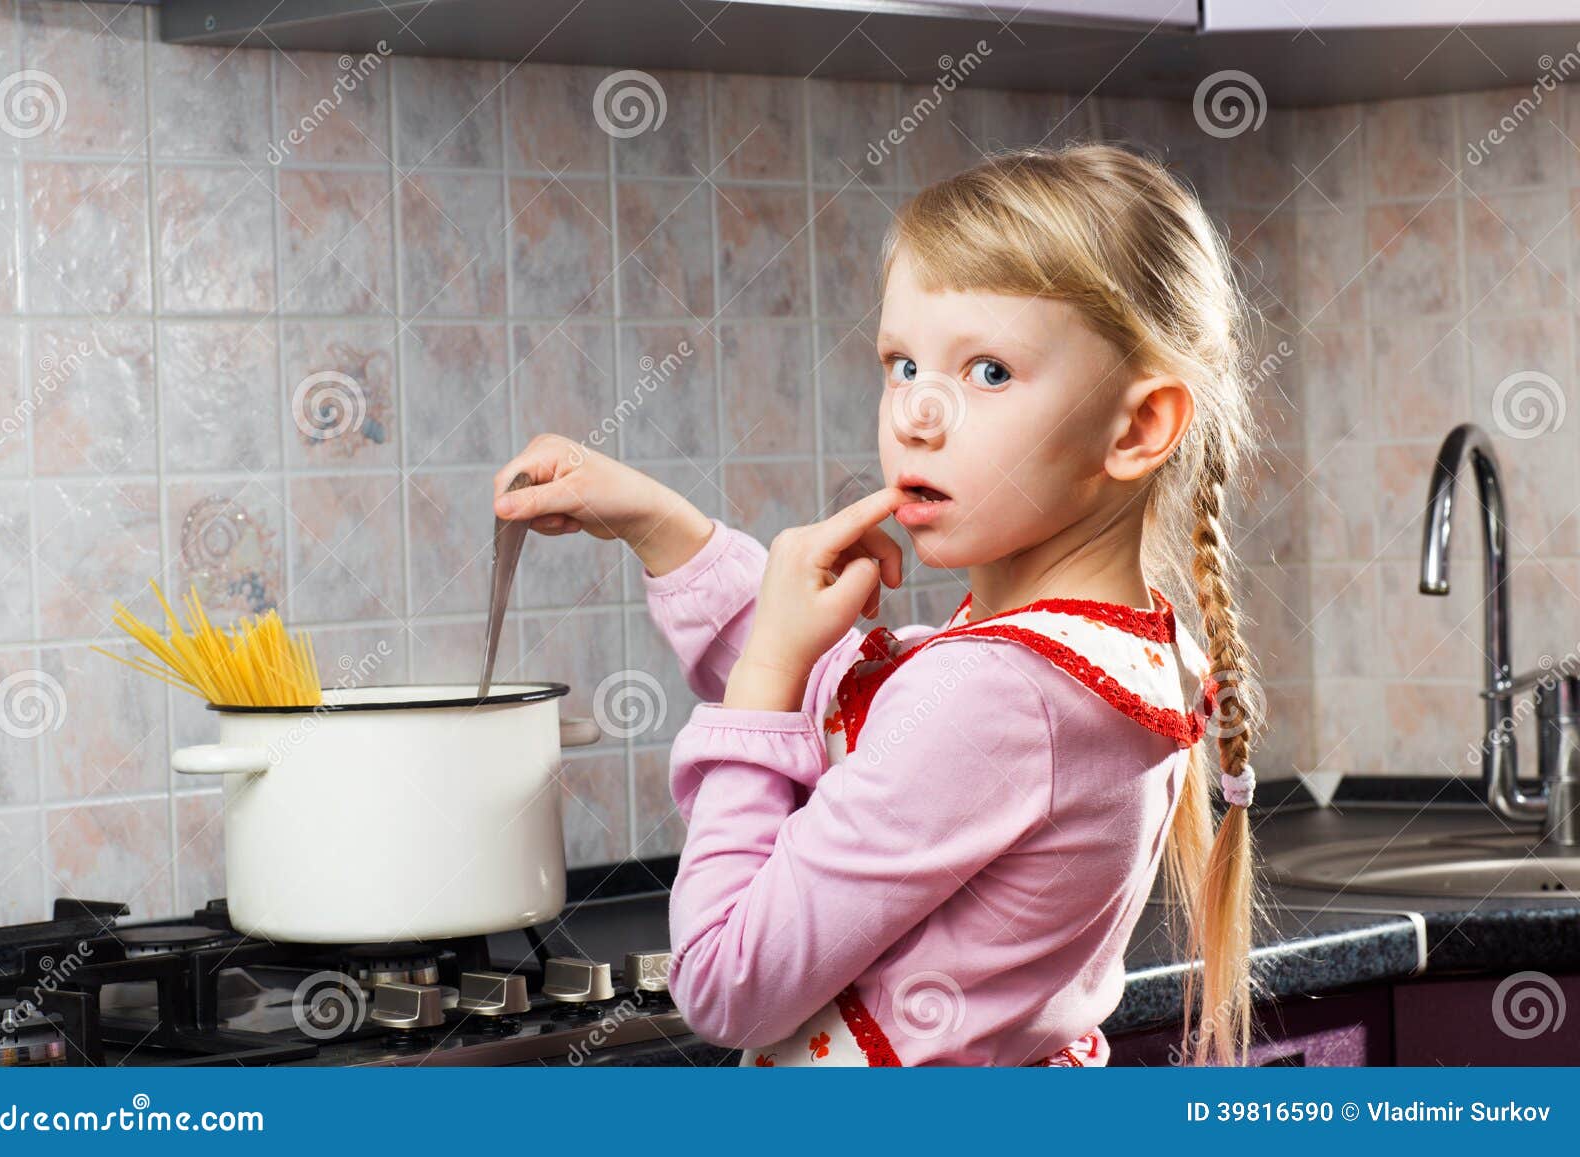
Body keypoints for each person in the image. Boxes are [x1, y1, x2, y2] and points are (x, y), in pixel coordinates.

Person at [493, 143, 1264, 1066]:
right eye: (901, 364)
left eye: (988, 372)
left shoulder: (999, 695)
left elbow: (723, 981)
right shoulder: (1118, 650)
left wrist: (763, 679)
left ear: (1138, 426)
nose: (916, 415)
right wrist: (668, 531)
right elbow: (858, 704)